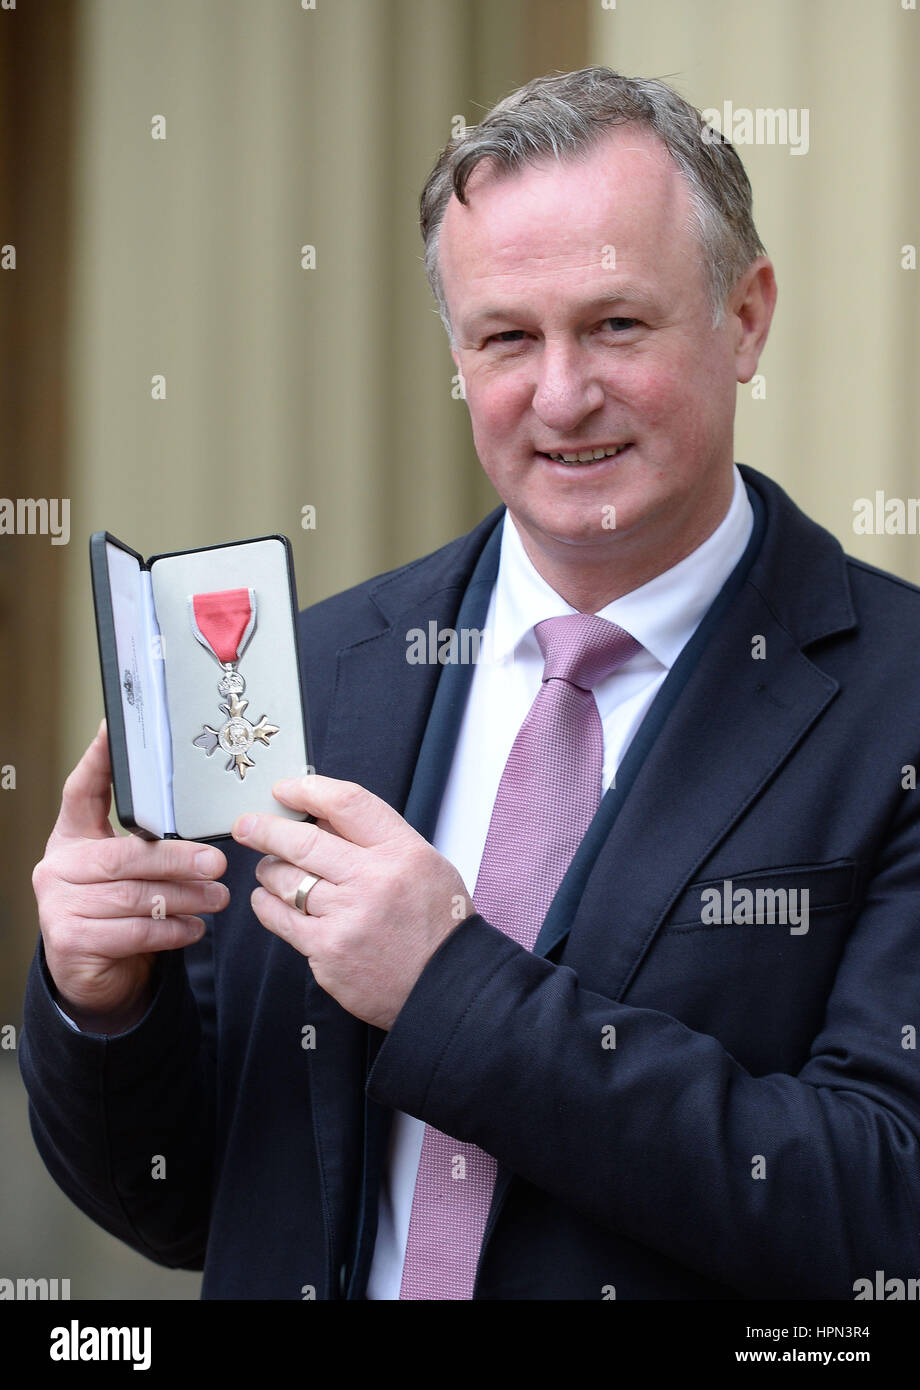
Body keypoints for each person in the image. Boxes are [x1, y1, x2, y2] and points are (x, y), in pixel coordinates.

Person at [21, 67, 920, 1301]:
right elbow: (186, 1201)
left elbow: (883, 1211)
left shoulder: (894, 699)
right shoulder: (317, 674)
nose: (560, 396)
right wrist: (101, 998)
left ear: (746, 316)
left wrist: (450, 989)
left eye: (615, 324)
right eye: (506, 336)